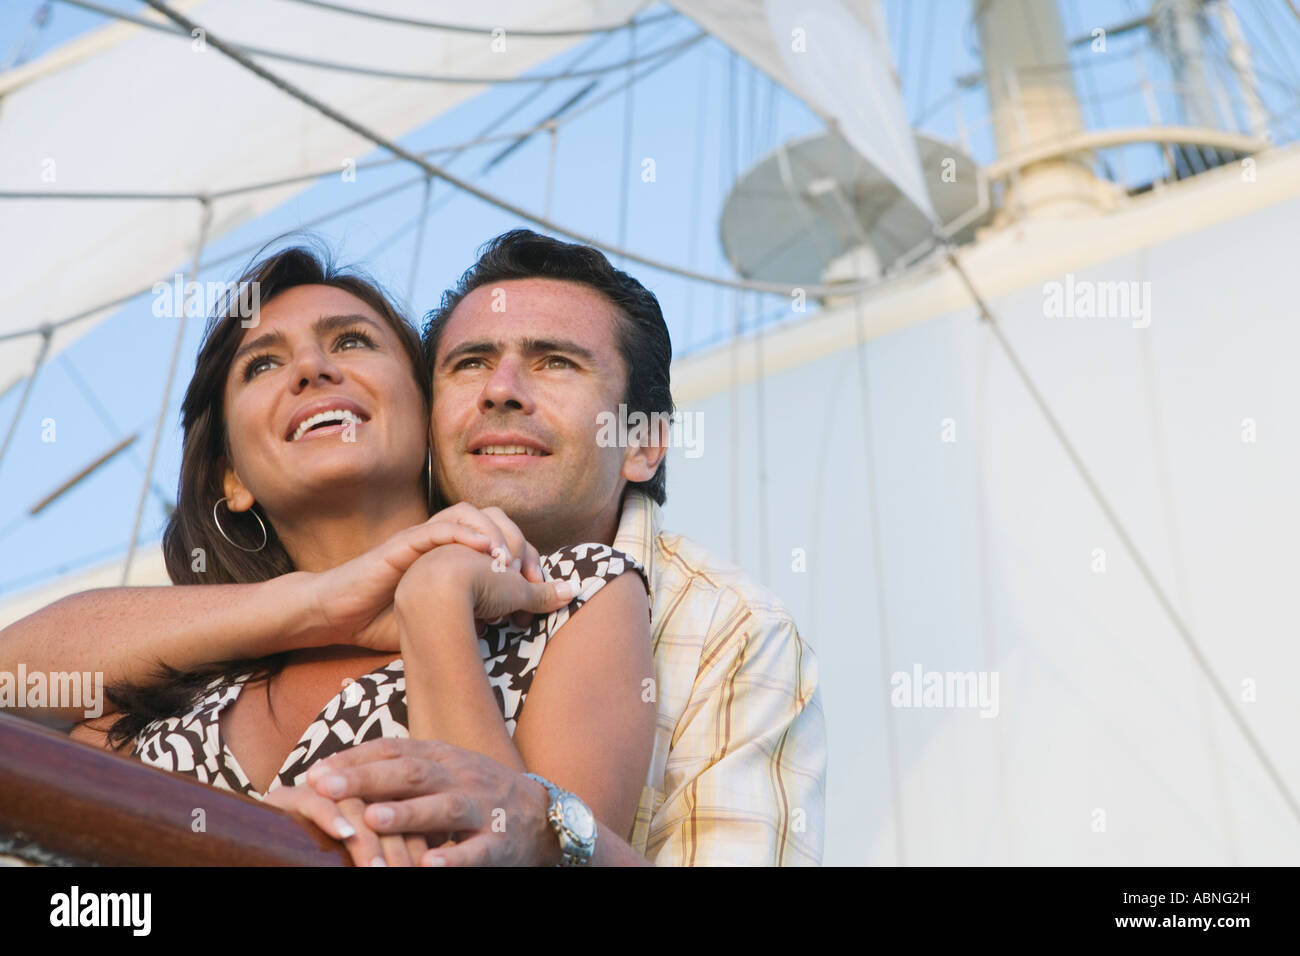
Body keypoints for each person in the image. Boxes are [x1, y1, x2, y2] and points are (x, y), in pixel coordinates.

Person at [1, 230, 827, 866]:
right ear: (230, 479)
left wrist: (433, 605)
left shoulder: (591, 597)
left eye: (353, 342)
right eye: (263, 363)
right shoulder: (171, 680)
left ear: (414, 412)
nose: (314, 371)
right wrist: (322, 600)